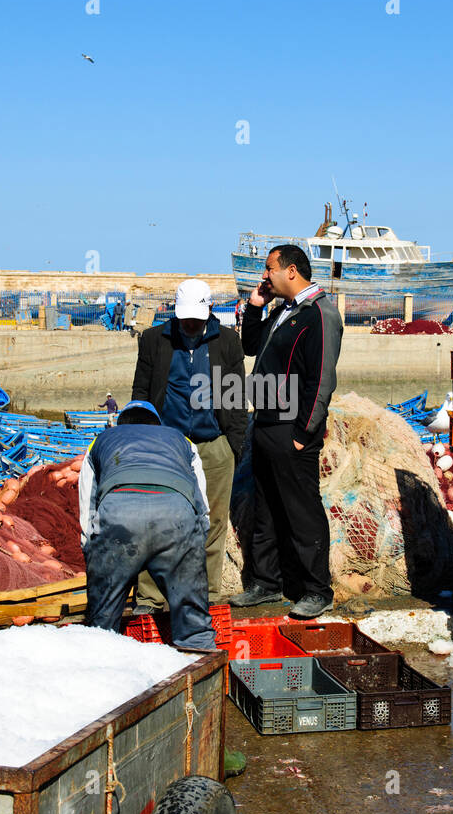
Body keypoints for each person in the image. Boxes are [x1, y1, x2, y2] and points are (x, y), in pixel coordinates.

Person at [233, 244, 343, 619]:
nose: (265, 276)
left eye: (269, 269)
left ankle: (316, 590)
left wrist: (303, 431)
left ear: (291, 271)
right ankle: (266, 582)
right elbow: (250, 346)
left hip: (292, 428)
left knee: (301, 511)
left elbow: (322, 380)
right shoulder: (283, 311)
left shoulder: (321, 314)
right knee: (266, 510)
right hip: (265, 422)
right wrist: (255, 305)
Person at [130, 279, 246, 613]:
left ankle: (204, 594)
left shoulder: (227, 342)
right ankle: (151, 596)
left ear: (209, 309)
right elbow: (141, 391)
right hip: (166, 444)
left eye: (196, 315)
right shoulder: (154, 340)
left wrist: (232, 445)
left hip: (214, 445)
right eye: (185, 316)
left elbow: (236, 397)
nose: (190, 323)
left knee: (212, 522)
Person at [78, 400, 215, 651]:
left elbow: (88, 504)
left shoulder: (101, 441)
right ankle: (201, 663)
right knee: (194, 624)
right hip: (176, 519)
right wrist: (192, 548)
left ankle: (104, 673)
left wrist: (95, 554)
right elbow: (202, 506)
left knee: (101, 627)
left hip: (119, 521)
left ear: (121, 424)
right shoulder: (181, 441)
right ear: (157, 424)